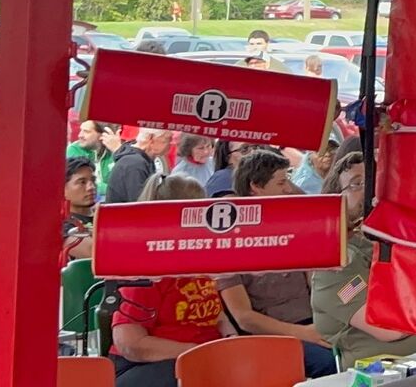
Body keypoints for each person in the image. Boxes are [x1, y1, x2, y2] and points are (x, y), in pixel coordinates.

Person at [311, 150, 416, 367]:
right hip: (387, 374)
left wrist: (405, 291)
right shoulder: (337, 264)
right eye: (357, 184)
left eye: (378, 181)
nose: (370, 190)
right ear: (336, 198)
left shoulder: (411, 241)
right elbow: (390, 327)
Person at [215, 150, 337, 377]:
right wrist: (301, 332)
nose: (289, 189)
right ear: (255, 187)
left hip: (316, 320)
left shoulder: (290, 228)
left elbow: (316, 283)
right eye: (281, 182)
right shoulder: (228, 244)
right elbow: (244, 317)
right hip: (273, 335)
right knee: (329, 363)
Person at [109, 174, 224, 386]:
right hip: (148, 365)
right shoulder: (147, 271)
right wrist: (198, 353)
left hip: (203, 358)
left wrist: (231, 342)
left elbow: (217, 316)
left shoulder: (204, 259)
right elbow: (130, 343)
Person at [104, 127, 168, 205]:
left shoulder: (140, 159)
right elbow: (139, 205)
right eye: (167, 140)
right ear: (151, 139)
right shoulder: (135, 164)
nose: (170, 144)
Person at [62, 157, 98, 262]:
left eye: (93, 180)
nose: (91, 187)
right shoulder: (62, 224)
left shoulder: (105, 216)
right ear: (62, 188)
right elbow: (93, 251)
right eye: (82, 182)